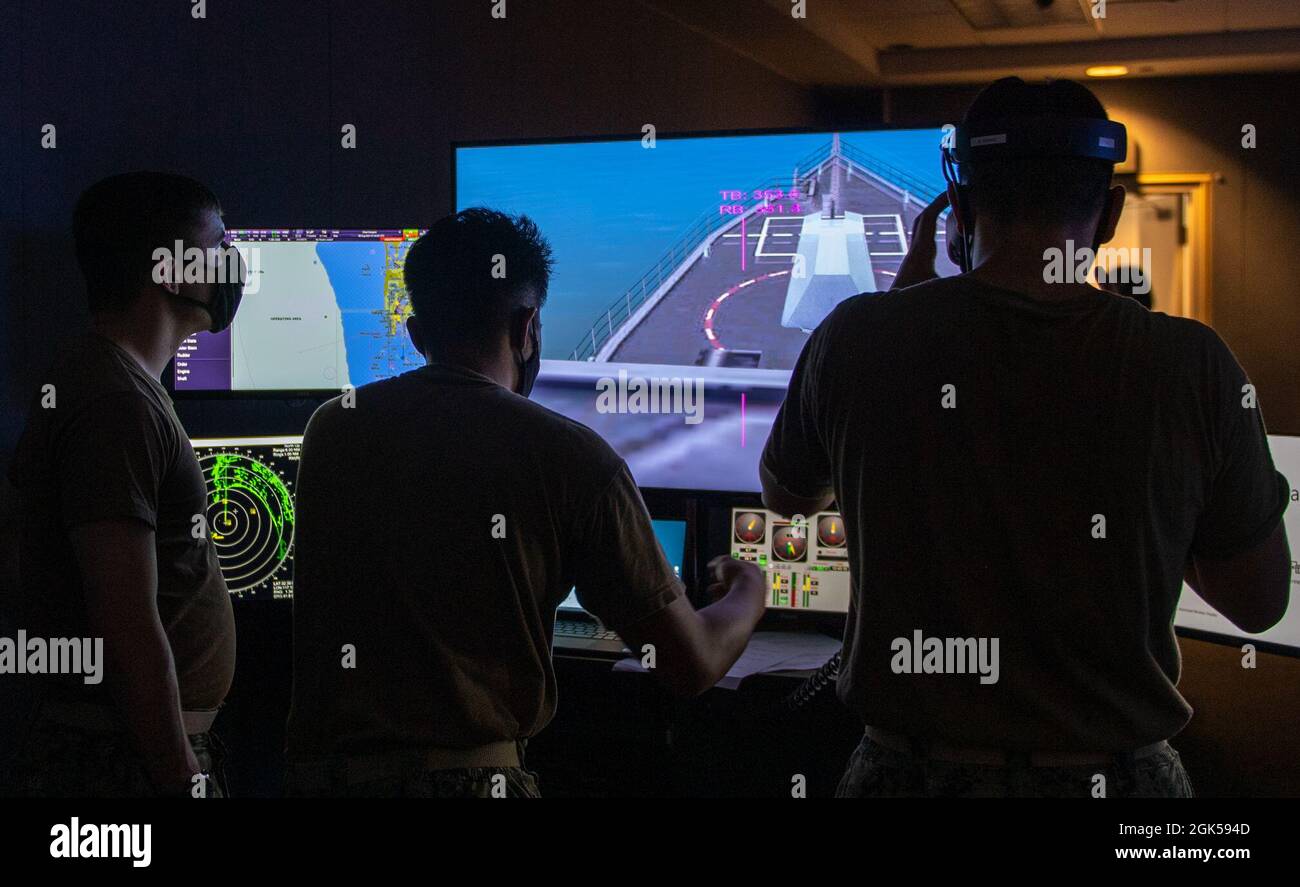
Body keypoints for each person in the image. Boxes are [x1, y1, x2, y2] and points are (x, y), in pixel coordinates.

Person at [762, 78, 1290, 798]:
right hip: (1119, 777)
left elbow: (788, 497)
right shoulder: (1193, 364)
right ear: (1109, 214)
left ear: (961, 212)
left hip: (905, 773)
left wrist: (897, 309)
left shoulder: (855, 339)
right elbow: (1258, 601)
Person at [284, 207, 765, 797]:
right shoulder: (571, 456)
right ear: (528, 328)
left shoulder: (332, 430)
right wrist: (750, 590)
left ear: (415, 333)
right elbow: (689, 666)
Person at [4, 172, 245, 797]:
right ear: (166, 267)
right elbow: (127, 621)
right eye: (217, 246)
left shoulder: (120, 384)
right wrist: (177, 774)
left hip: (129, 751)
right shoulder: (115, 401)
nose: (233, 264)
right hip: (121, 763)